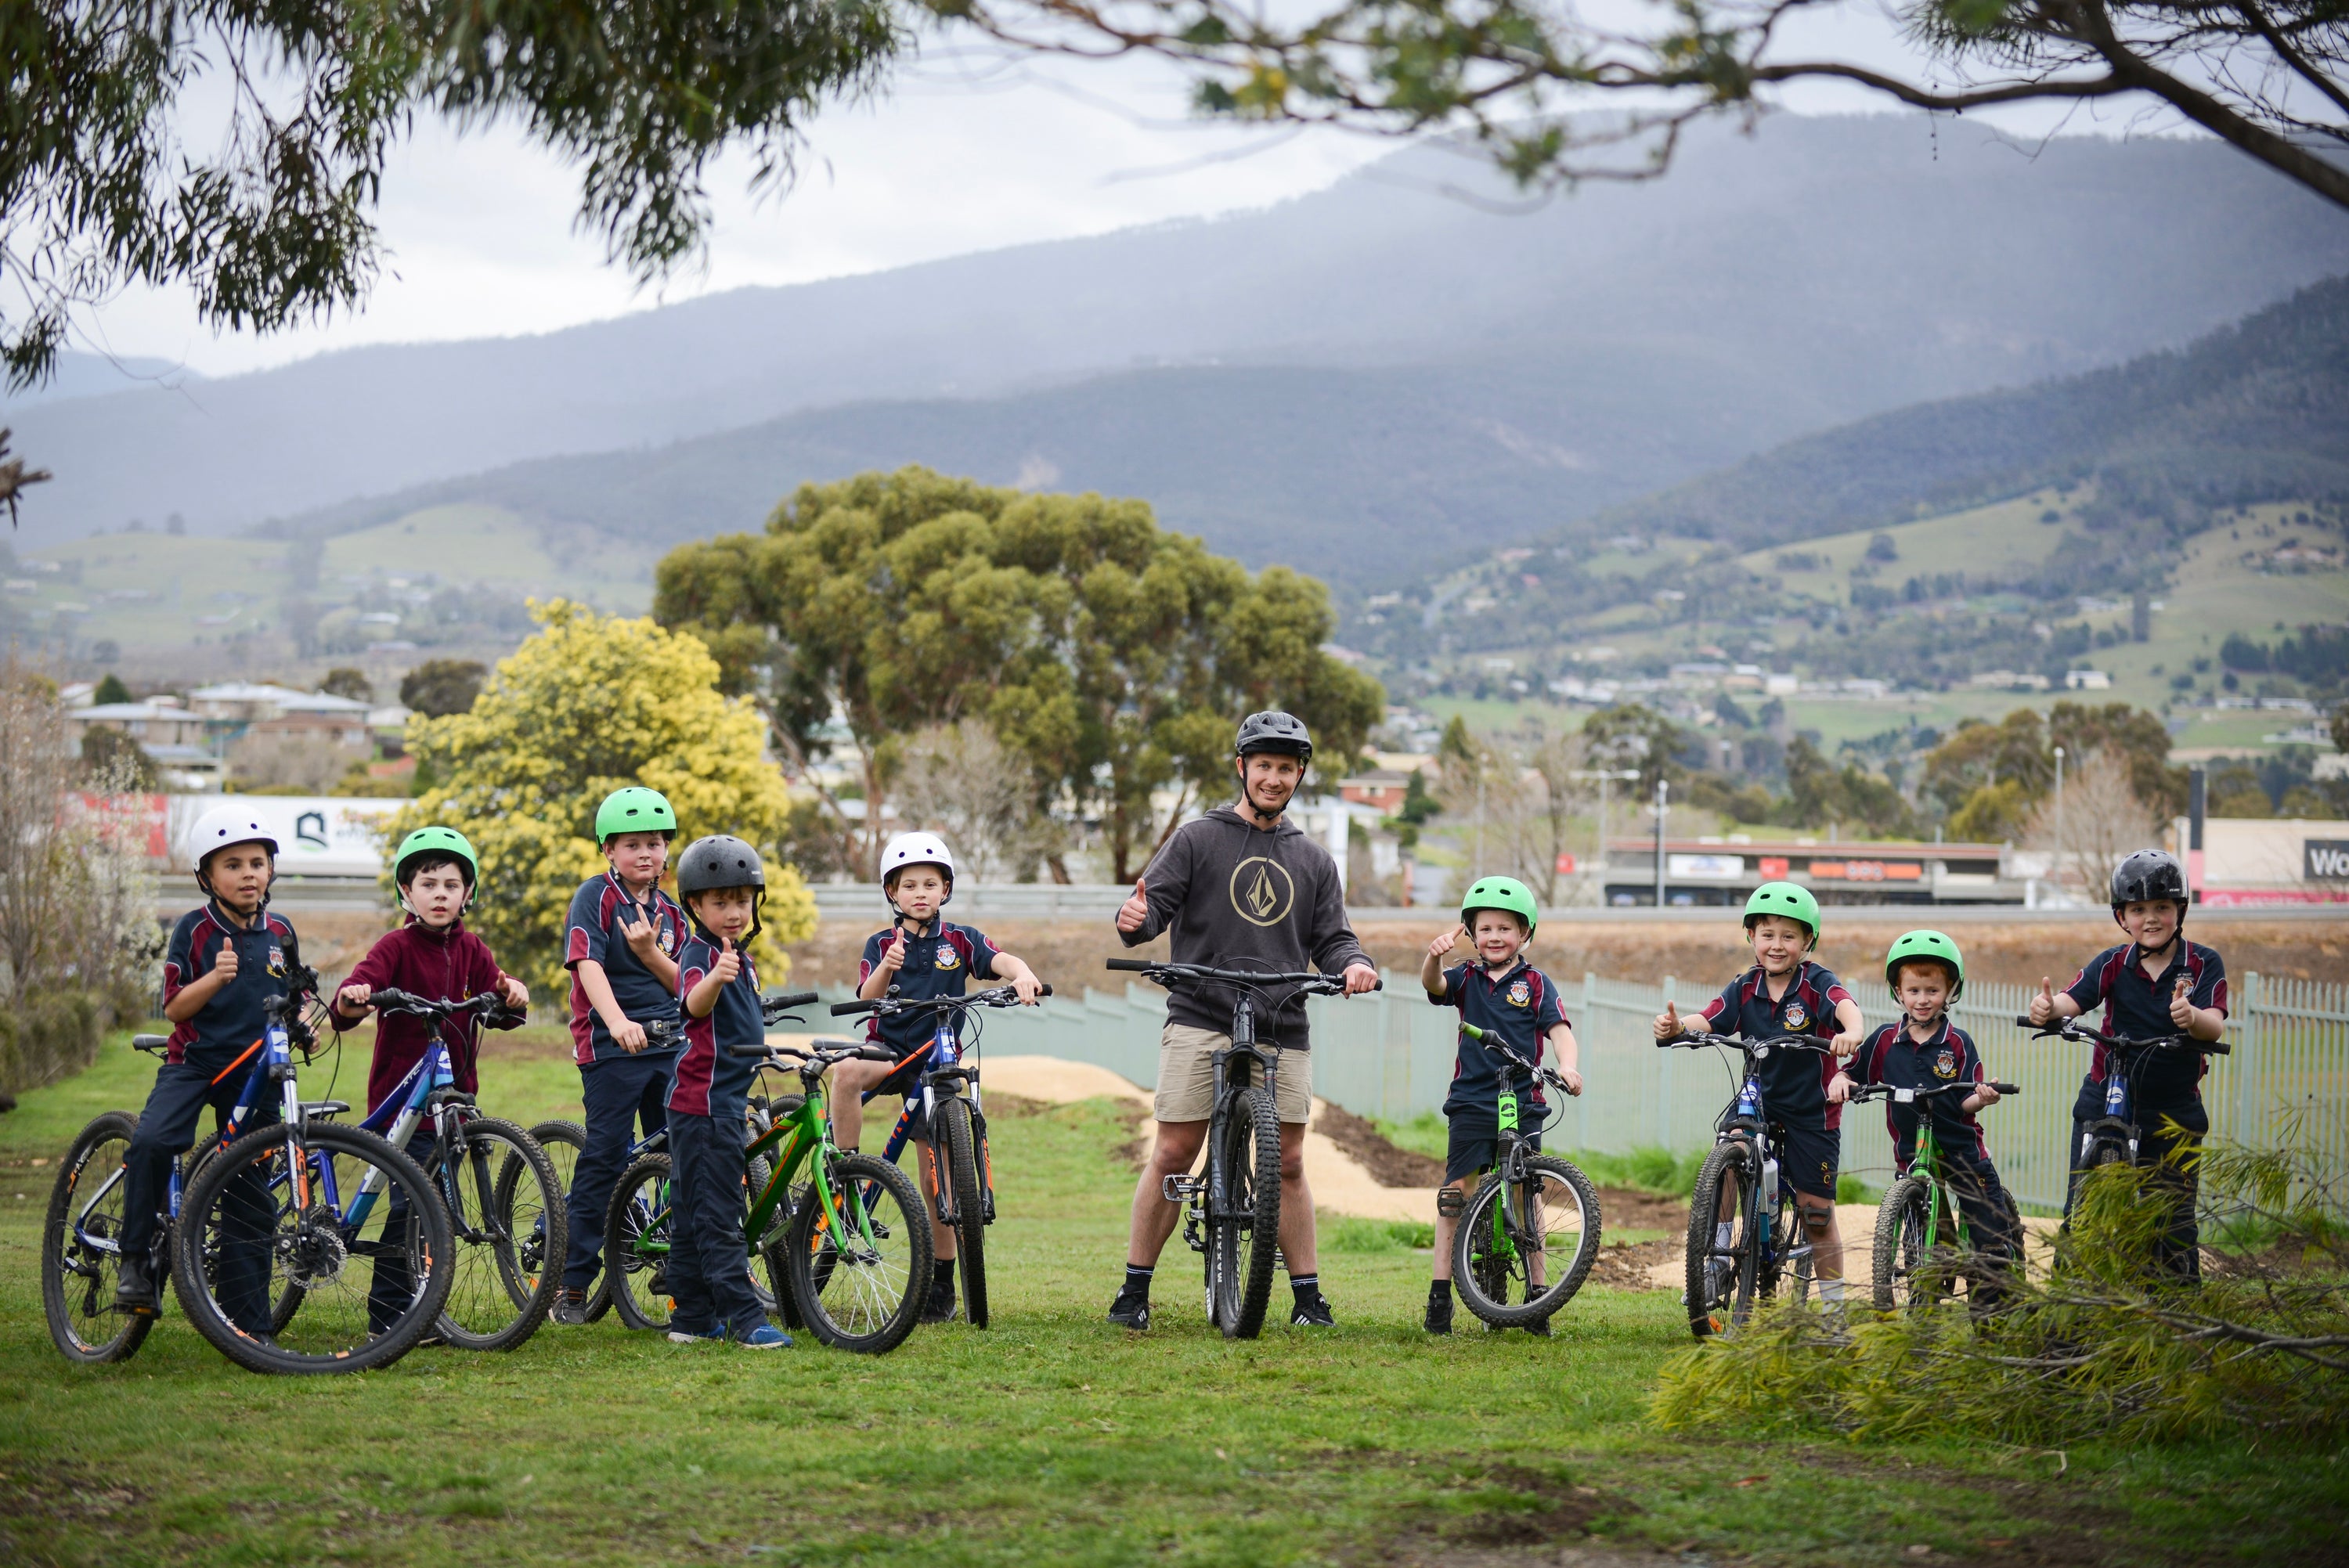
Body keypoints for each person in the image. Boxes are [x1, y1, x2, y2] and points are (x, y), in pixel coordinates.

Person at [1109, 710, 1380, 1332]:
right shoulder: (1197, 839)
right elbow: (1150, 909)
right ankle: (1134, 1289)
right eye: (1263, 765)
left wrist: (1355, 963)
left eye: (1286, 768)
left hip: (1282, 1020)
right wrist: (1134, 921)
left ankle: (1307, 1297)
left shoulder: (1313, 859)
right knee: (1174, 1150)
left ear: (1299, 775)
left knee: (1289, 1161)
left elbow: (1333, 938)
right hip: (1200, 1011)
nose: (1274, 777)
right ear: (1242, 767)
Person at [832, 831, 1043, 1324]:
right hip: (889, 1049)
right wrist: (888, 966)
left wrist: (1023, 974)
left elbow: (1001, 960)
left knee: (937, 1180)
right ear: (892, 892)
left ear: (945, 889)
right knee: (846, 1071)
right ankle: (847, 1176)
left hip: (940, 1059)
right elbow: (866, 996)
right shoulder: (881, 942)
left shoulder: (960, 940)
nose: (920, 893)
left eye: (930, 884)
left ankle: (942, 1285)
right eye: (909, 885)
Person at [328, 827, 530, 1332]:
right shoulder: (395, 945)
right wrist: (355, 996)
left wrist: (513, 996)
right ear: (407, 891)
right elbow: (358, 988)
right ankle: (388, 1319)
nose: (440, 894)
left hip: (454, 1104)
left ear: (467, 893)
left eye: (451, 885)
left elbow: (499, 1002)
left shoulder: (473, 949)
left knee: (433, 1210)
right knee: (412, 1207)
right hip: (404, 1106)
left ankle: (424, 1312)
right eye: (428, 884)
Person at [114, 805, 302, 1322]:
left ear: (271, 869)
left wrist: (302, 1020)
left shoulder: (281, 930)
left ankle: (248, 1326)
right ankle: (135, 1262)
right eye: (233, 865)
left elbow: (294, 994)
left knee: (251, 1193)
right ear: (207, 876)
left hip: (255, 1074)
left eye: (257, 863)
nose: (248, 874)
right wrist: (214, 978)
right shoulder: (194, 929)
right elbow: (175, 1008)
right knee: (153, 1142)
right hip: (195, 1063)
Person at [1653, 881, 1864, 1313]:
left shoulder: (1817, 983)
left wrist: (1852, 1033)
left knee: (1816, 1212)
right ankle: (1716, 1259)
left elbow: (1846, 1007)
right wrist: (1678, 1028)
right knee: (1728, 1156)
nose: (1777, 945)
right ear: (1751, 936)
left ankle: (1834, 1312)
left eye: (1789, 936)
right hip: (1758, 1101)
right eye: (1767, 935)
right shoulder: (1745, 986)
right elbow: (1711, 1018)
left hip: (1811, 1110)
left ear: (1808, 941)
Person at [2025, 848, 2227, 1283]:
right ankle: (2069, 1303)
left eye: (2162, 907)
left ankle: (2175, 1310)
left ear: (2180, 911)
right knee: (2082, 1211)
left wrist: (2192, 1018)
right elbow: (2071, 1001)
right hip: (2106, 1095)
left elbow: (2215, 1025)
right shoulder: (2113, 962)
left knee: (2172, 1223)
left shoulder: (2202, 963)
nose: (2150, 918)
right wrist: (2048, 1008)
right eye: (2138, 910)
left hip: (2172, 1107)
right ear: (2122, 917)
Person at [1418, 874, 1582, 1336]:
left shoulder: (1536, 983)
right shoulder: (1465, 977)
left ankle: (1537, 1296)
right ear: (1471, 933)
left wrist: (1569, 1067)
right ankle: (1439, 1296)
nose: (1495, 936)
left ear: (1525, 932)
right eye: (1485, 928)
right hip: (1472, 1100)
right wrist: (1434, 957)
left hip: (1523, 1100)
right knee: (1456, 1192)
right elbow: (1433, 986)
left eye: (1506, 928)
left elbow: (1560, 1032)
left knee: (1528, 1193)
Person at [551, 786, 688, 1325]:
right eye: (632, 844)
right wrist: (616, 1021)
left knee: (685, 1149)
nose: (645, 854)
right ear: (608, 849)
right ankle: (573, 1280)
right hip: (612, 1044)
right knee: (606, 1156)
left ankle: (680, 1263)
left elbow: (681, 982)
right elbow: (587, 965)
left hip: (668, 1042)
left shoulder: (672, 911)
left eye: (654, 843)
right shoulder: (596, 896)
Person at [1830, 930, 2020, 1309]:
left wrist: (1982, 1098)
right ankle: (1923, 1302)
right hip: (1912, 1152)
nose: (1922, 999)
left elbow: (1967, 1099)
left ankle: (1993, 1312)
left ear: (1950, 992)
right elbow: (1853, 1071)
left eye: (1932, 990)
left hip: (1961, 1149)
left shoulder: (1958, 1042)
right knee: (1916, 1228)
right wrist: (1841, 1079)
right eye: (1913, 990)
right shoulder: (1885, 1040)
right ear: (1898, 992)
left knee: (1988, 1229)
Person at [663, 834, 793, 1349]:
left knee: (693, 1211)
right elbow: (694, 1003)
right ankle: (746, 1319)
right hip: (704, 1104)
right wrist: (717, 978)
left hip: (723, 1101)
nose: (734, 912)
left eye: (742, 900)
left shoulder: (740, 956)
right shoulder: (701, 955)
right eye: (721, 902)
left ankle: (692, 1318)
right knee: (720, 1215)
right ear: (695, 906)